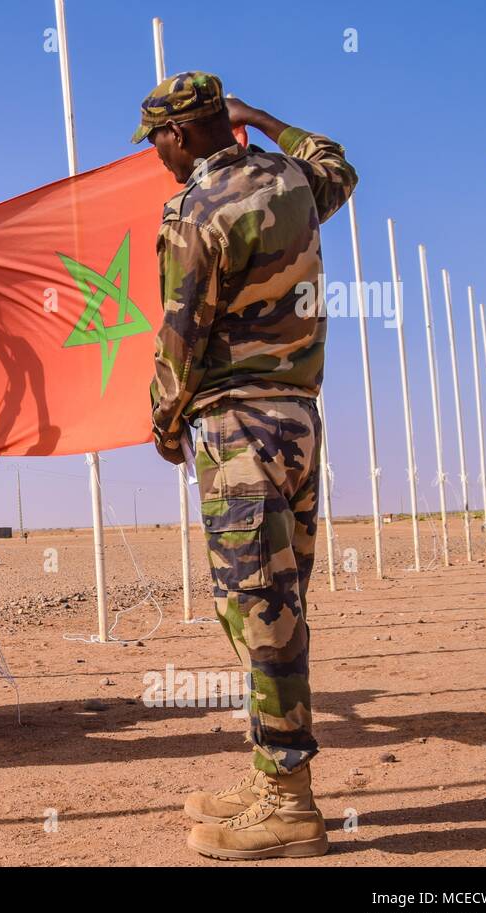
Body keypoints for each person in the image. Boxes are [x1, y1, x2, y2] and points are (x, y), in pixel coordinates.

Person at [136, 73, 357, 858]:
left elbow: (181, 331)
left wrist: (164, 420)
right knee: (278, 603)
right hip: (297, 421)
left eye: (158, 139)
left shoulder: (194, 210)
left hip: (237, 428)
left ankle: (290, 806)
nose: (156, 154)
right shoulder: (291, 178)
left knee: (259, 612)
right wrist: (264, 119)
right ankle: (271, 775)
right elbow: (338, 161)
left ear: (182, 135)